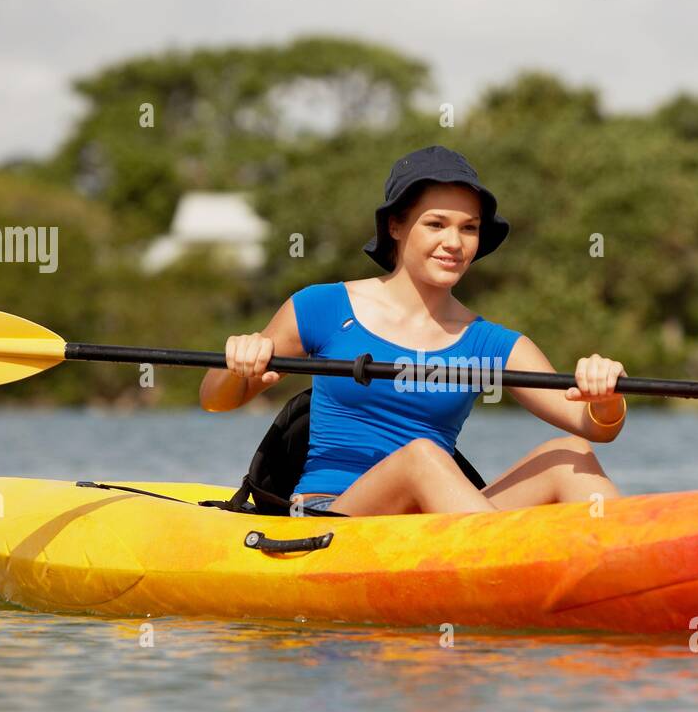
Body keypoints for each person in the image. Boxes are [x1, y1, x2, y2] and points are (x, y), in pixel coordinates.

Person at [200, 145, 625, 516]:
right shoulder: (324, 306)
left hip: (432, 521)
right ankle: (500, 570)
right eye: (436, 224)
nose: (454, 243)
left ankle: (636, 570)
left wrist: (605, 396)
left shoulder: (489, 342)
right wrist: (238, 365)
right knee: (422, 456)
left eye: (469, 227)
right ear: (397, 227)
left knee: (571, 454)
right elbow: (215, 401)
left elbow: (592, 426)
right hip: (332, 513)